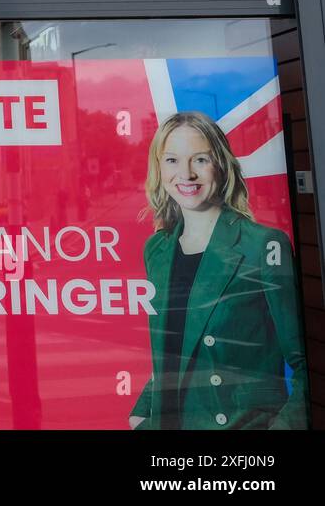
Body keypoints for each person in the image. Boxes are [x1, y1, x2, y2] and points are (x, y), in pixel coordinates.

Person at [129, 111, 307, 430]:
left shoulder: (263, 245)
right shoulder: (157, 249)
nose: (186, 174)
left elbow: (306, 360)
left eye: (200, 160)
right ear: (159, 168)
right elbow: (173, 348)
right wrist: (141, 414)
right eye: (172, 160)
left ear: (221, 165)